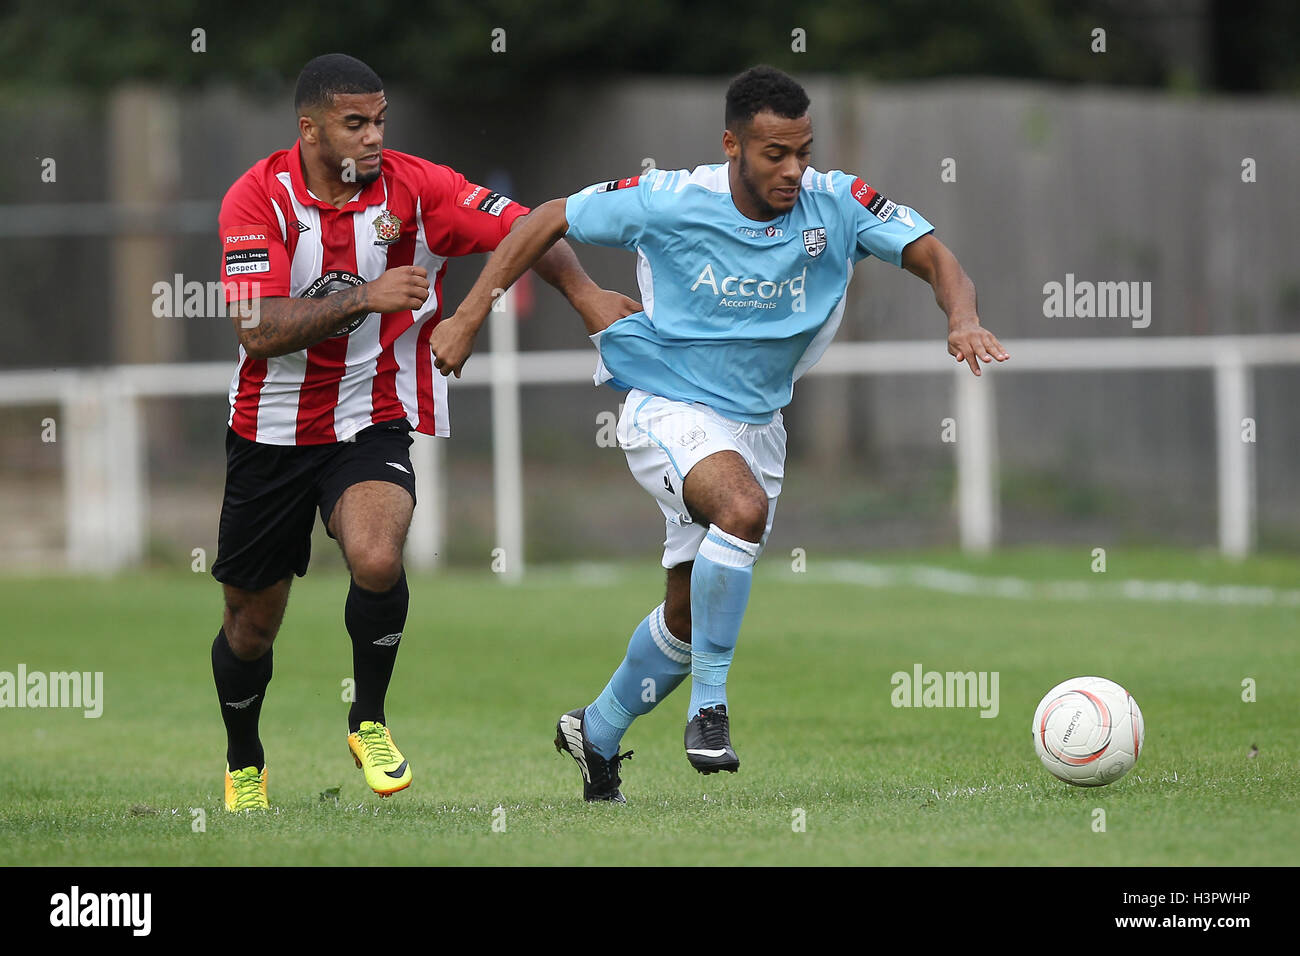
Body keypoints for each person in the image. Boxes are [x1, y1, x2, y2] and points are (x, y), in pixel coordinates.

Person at [429, 65, 1009, 803]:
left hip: (757, 427)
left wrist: (960, 316)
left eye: (803, 150)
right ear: (732, 144)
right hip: (666, 407)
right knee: (740, 509)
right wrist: (471, 314)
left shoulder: (840, 203)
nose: (794, 169)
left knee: (686, 612)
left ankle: (596, 733)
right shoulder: (672, 198)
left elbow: (936, 257)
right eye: (775, 153)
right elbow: (544, 217)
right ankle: (710, 709)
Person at [212, 53, 632, 811]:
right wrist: (366, 297)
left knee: (377, 554)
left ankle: (367, 719)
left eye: (380, 121)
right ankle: (245, 761)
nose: (374, 137)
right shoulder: (256, 199)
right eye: (354, 123)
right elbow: (256, 327)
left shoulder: (419, 187)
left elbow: (533, 222)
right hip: (269, 434)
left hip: (370, 418)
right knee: (250, 625)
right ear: (308, 129)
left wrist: (588, 295)